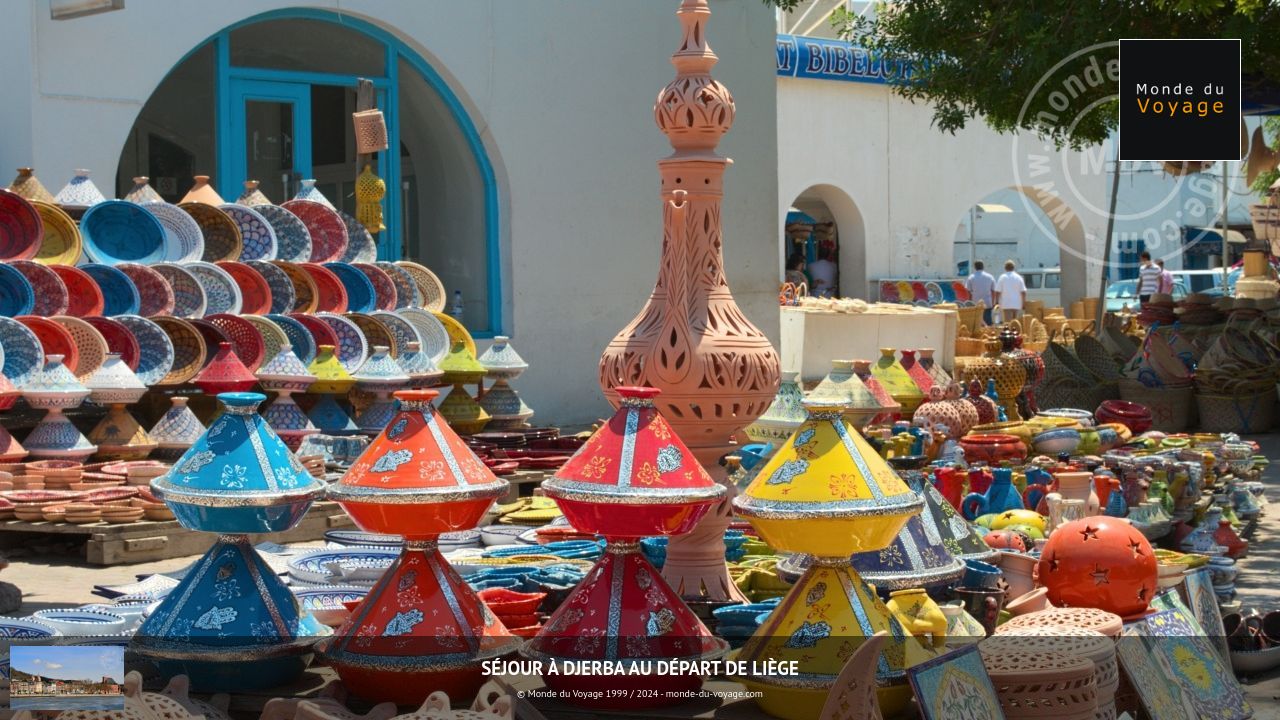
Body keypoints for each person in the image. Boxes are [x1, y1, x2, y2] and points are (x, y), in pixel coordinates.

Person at [965, 261, 996, 325]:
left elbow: (968, 292)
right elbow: (993, 291)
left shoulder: (971, 278)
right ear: (983, 267)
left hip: (975, 304)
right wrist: (993, 302)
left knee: (977, 324)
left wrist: (969, 303)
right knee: (988, 323)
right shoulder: (990, 277)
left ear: (975, 267)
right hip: (987, 303)